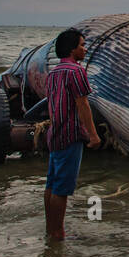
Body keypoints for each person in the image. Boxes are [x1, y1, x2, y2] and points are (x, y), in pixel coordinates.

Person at [44, 28, 102, 240]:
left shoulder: (54, 73)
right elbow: (83, 104)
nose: (85, 50)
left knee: (51, 183)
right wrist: (93, 135)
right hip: (70, 134)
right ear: (71, 49)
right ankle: (58, 232)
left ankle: (50, 229)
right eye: (81, 45)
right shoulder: (76, 71)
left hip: (55, 134)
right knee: (62, 188)